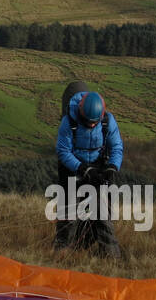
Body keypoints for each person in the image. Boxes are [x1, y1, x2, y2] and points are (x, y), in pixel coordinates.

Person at [53, 85, 125, 259]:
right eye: (88, 122)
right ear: (80, 113)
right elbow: (63, 151)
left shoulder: (108, 121)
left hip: (98, 168)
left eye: (95, 122)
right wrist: (83, 169)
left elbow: (116, 147)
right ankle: (61, 255)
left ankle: (110, 258)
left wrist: (112, 167)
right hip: (72, 169)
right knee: (68, 215)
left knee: (102, 214)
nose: (92, 125)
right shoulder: (68, 123)